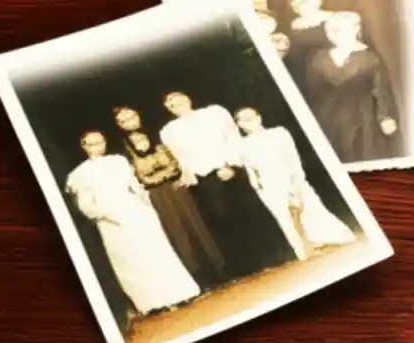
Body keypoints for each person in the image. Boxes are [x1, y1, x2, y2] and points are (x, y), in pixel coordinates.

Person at [159, 91, 296, 279]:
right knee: (224, 221)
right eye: (171, 105)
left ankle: (277, 256)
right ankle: (248, 267)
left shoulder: (215, 113)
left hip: (231, 170)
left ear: (188, 99)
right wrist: (192, 175)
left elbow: (233, 138)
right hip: (205, 179)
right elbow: (181, 158)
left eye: (179, 101)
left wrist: (230, 165)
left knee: (250, 211)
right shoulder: (168, 131)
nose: (177, 106)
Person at [64, 131, 200, 315]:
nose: (97, 146)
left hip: (135, 210)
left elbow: (134, 185)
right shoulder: (79, 174)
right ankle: (152, 303)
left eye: (100, 142)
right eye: (92, 143)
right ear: (84, 146)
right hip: (110, 219)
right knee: (131, 260)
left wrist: (144, 205)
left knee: (156, 251)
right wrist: (108, 214)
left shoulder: (118, 161)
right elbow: (86, 204)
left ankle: (179, 293)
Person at [114, 106, 229, 289]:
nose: (130, 122)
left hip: (177, 187)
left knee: (197, 227)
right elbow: (137, 175)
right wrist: (155, 180)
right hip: (156, 194)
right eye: (124, 120)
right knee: (176, 233)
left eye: (132, 116)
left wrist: (173, 173)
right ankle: (199, 278)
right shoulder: (122, 149)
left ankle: (220, 270)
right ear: (119, 125)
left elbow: (175, 160)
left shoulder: (158, 134)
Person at [235, 107, 356, 260]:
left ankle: (332, 238)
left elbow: (293, 158)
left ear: (259, 117)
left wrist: (296, 180)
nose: (251, 122)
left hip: (290, 176)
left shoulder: (279, 133)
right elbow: (250, 170)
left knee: (310, 206)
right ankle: (304, 251)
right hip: (269, 185)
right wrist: (259, 188)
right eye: (245, 120)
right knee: (286, 219)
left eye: (253, 117)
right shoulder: (243, 145)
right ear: (240, 124)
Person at [305, 11, 401, 163]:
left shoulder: (370, 59)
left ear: (356, 29)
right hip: (328, 120)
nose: (337, 34)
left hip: (362, 122)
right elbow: (310, 90)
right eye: (333, 30)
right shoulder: (319, 57)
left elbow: (381, 90)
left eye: (343, 29)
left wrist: (385, 117)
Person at [286, 0, 335, 95]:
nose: (303, 6)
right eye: (298, 4)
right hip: (306, 75)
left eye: (306, 2)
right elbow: (295, 54)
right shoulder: (295, 25)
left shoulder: (333, 18)